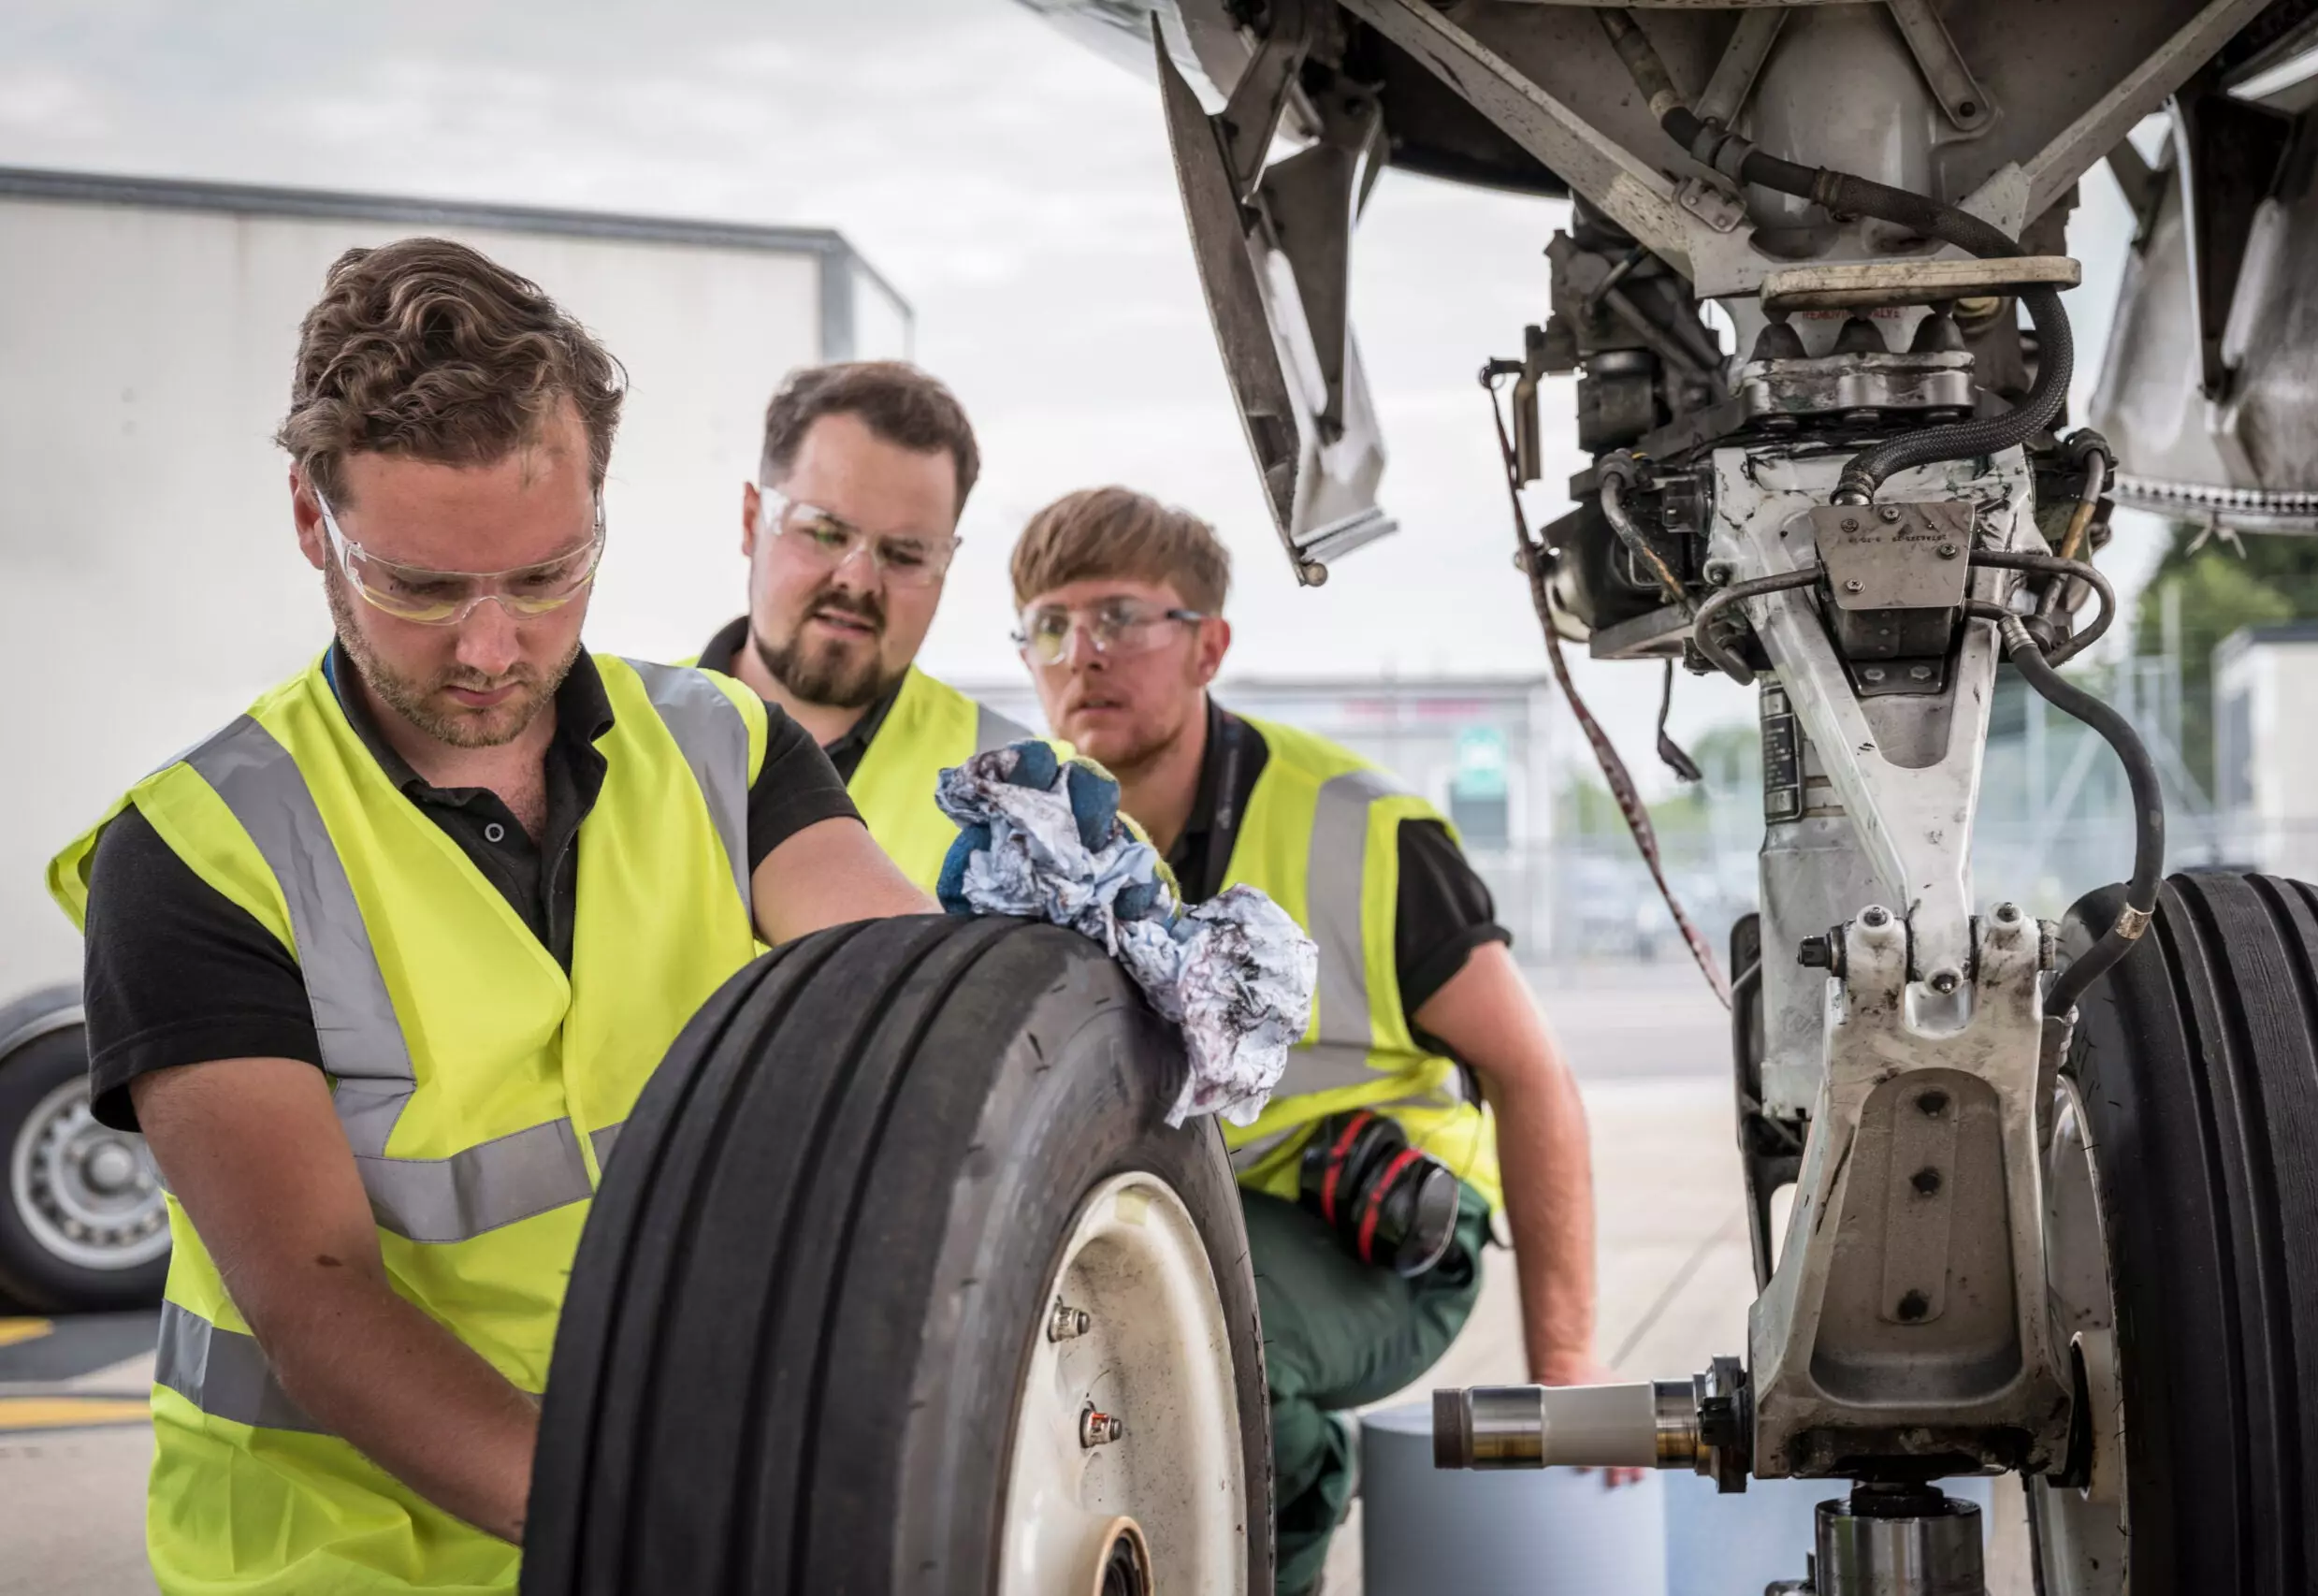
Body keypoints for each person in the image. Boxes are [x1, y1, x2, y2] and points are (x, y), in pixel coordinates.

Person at [45, 239, 930, 1594]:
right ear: (309, 520)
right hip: (336, 1543)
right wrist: (632, 1521)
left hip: (653, 1481)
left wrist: (1066, 989)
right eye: (416, 585)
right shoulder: (195, 853)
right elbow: (314, 1294)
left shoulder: (725, 745)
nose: (488, 647)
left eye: (545, 575)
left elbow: (902, 1000)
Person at [1008, 486, 1616, 1594]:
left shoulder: (1362, 827)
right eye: (1050, 625)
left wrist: (1566, 1361)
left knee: (1206, 1361)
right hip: (1186, 1215)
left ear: (1209, 646)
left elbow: (1531, 1073)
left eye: (1121, 618)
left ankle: (1287, 1516)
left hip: (1382, 1229)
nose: (1081, 653)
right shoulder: (1031, 843)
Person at [693, 362, 1031, 888]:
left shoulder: (1026, 791)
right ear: (750, 522)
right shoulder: (604, 738)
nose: (859, 581)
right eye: (826, 533)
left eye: (905, 552)